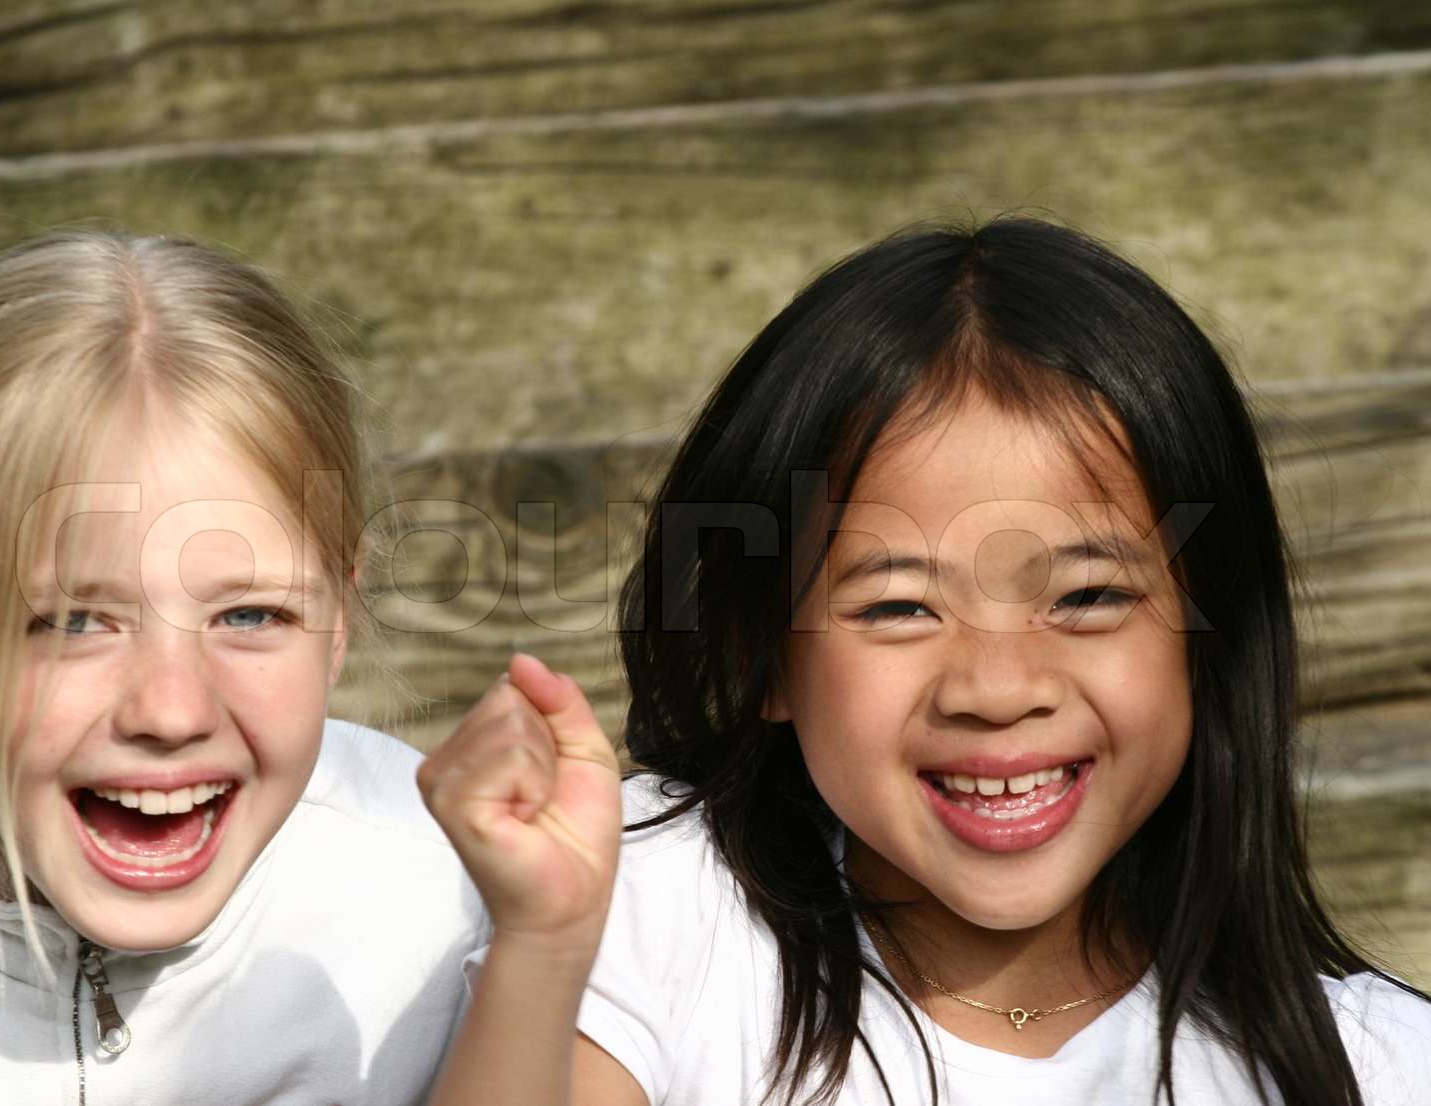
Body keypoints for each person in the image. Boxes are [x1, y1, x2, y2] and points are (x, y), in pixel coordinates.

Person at [421, 218, 1431, 1105]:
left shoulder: (1370, 1067)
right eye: (899, 604)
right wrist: (543, 944)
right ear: (761, 654)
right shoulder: (657, 912)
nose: (996, 688)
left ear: (1213, 642)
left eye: (1085, 596)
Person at [0, 230, 485, 1104]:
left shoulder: (431, 894)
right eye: (71, 622)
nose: (171, 713)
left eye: (250, 614)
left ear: (337, 622)